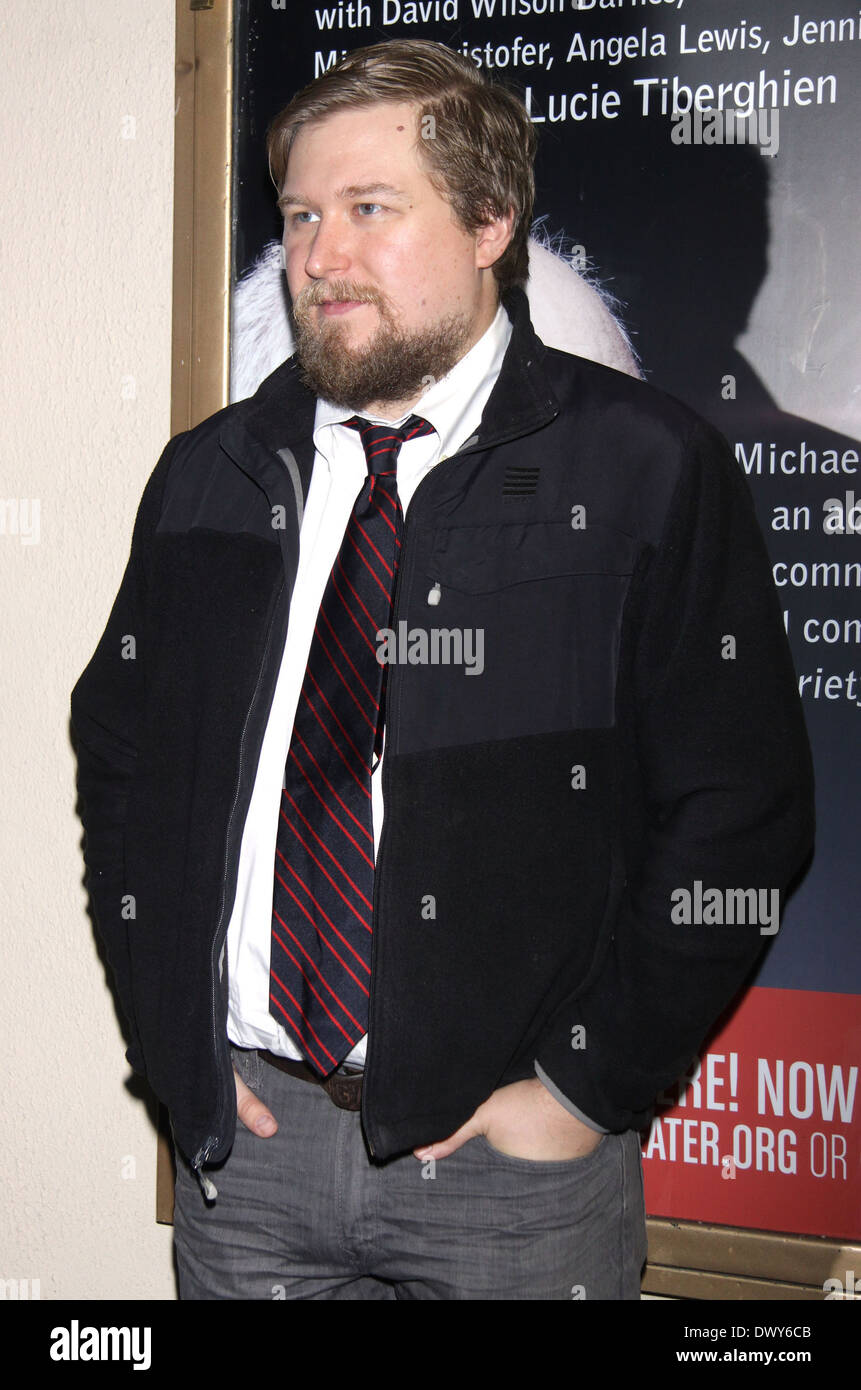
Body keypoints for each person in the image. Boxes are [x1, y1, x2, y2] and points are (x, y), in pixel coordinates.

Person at [71, 39, 814, 1301]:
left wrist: (589, 1084)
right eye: (302, 215)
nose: (319, 255)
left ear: (488, 222)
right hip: (247, 1163)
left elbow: (741, 817)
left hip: (510, 1180)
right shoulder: (213, 473)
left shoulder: (641, 466)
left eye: (369, 210)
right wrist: (173, 1050)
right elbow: (124, 767)